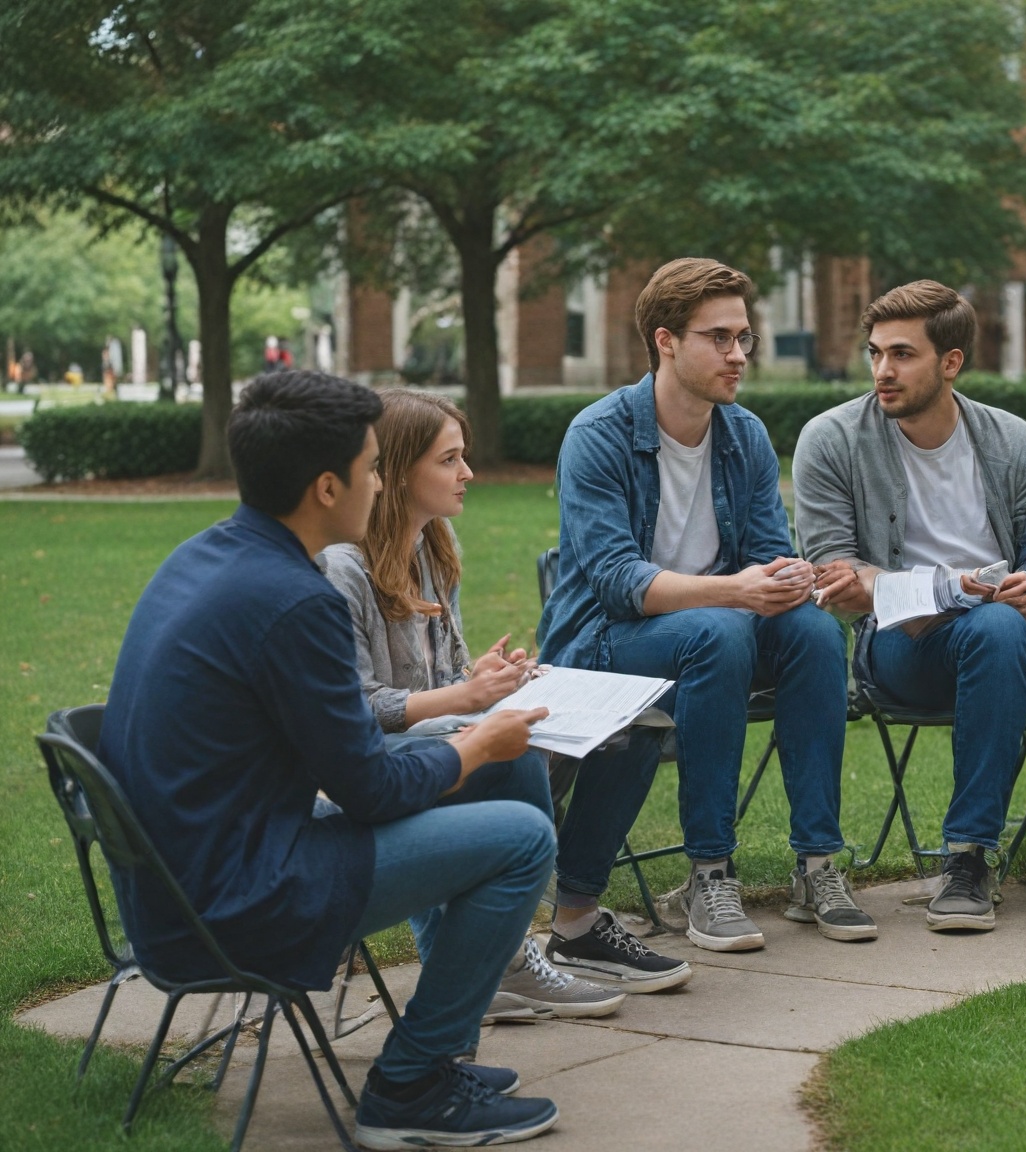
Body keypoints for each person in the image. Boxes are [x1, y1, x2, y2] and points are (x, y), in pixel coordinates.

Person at [98, 371, 560, 1147]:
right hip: (237, 901)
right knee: (523, 837)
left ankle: (440, 1051)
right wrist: (475, 739)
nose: (382, 485)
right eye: (375, 468)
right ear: (325, 486)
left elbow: (347, 759)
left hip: (185, 877)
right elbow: (371, 788)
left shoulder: (208, 554)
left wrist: (473, 741)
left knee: (501, 773)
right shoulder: (297, 598)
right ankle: (410, 1085)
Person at [538, 257, 866, 967]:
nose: (739, 354)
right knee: (717, 632)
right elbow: (618, 581)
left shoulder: (742, 435)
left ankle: (817, 865)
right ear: (665, 341)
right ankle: (709, 877)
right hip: (602, 639)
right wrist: (735, 592)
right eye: (719, 338)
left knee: (811, 629)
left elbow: (768, 553)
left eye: (743, 337)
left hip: (716, 632)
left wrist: (795, 577)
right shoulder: (599, 433)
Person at [795, 280, 1026, 932]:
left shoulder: (1010, 438)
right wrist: (949, 589)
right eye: (875, 353)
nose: (882, 370)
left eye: (902, 354)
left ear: (951, 361)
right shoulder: (832, 439)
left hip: (1014, 629)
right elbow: (832, 571)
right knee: (991, 625)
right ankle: (968, 856)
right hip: (903, 641)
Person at [317, 388, 626, 1021]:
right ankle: (498, 961)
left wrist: (484, 674)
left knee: (574, 738)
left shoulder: (432, 546)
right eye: (450, 460)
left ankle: (487, 963)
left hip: (424, 740)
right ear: (400, 473)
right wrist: (466, 697)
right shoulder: (343, 568)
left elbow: (442, 674)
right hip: (354, 764)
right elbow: (354, 706)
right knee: (501, 760)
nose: (469, 473)